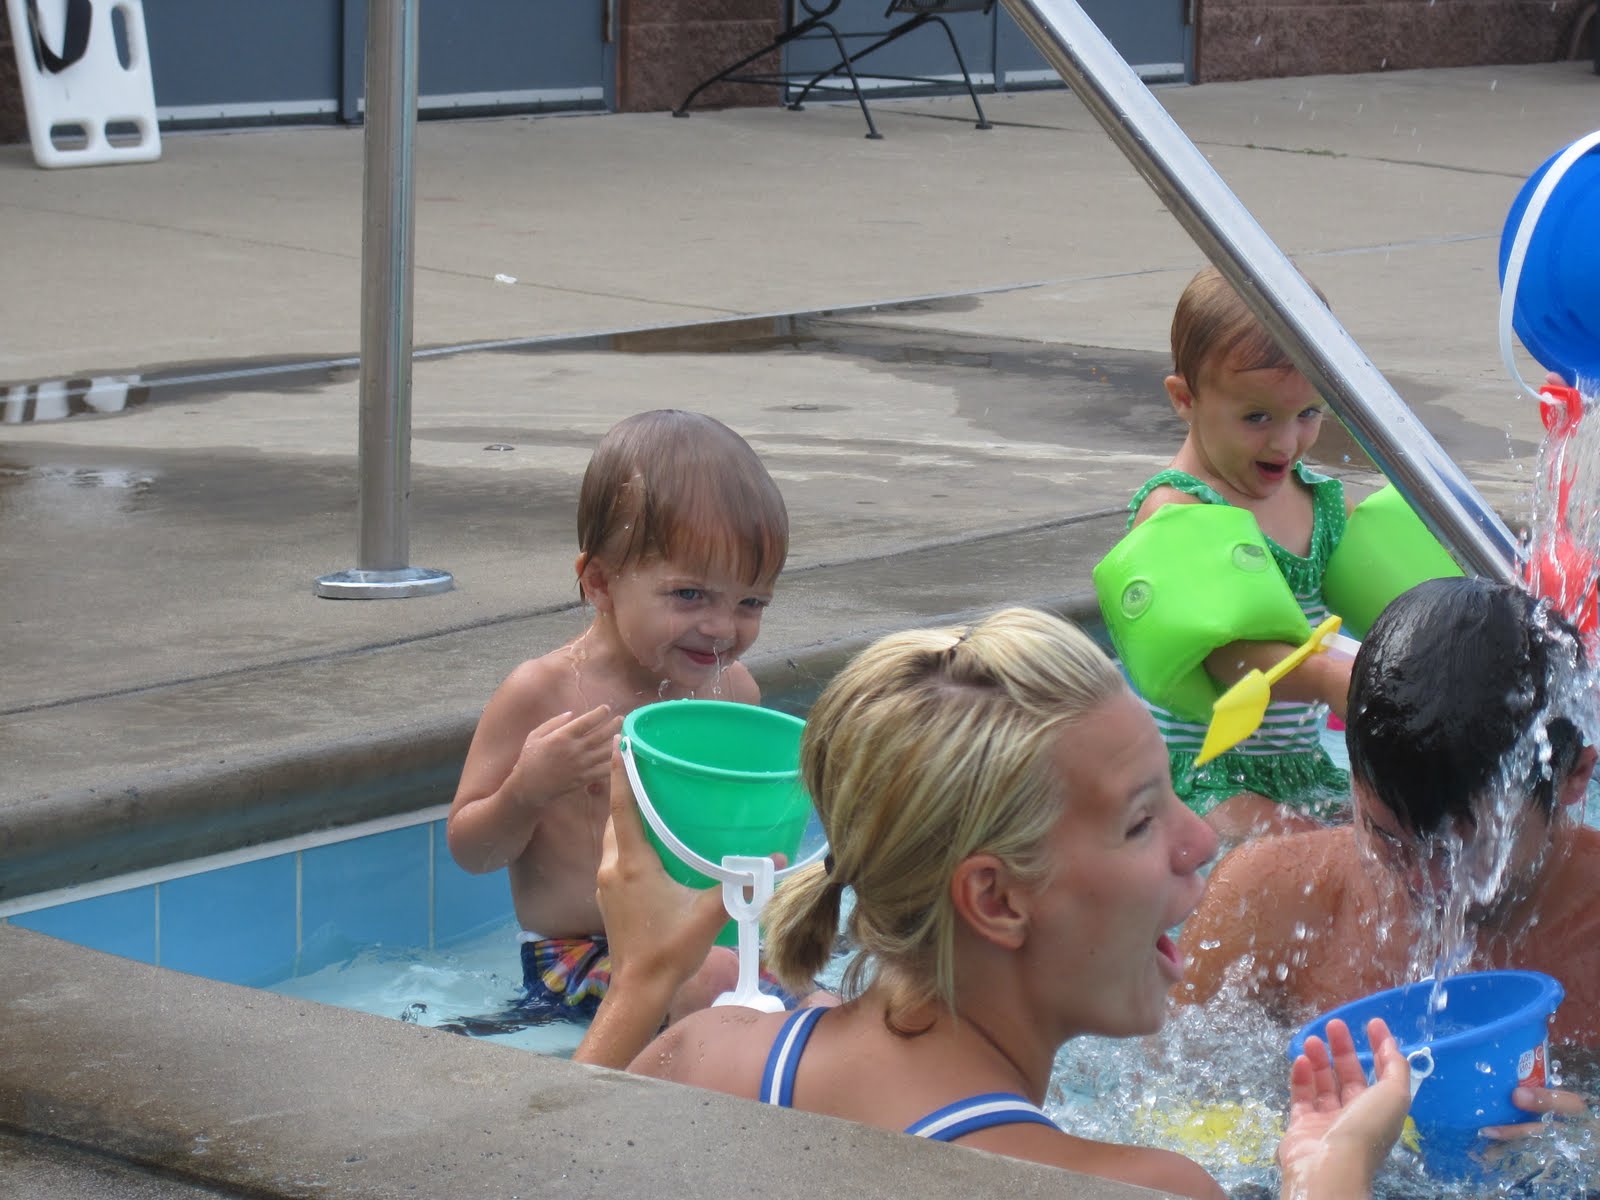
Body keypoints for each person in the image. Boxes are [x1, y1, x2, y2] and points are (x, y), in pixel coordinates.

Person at [574, 607, 1412, 1200]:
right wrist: (1328, 1175)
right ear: (996, 898)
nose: (1200, 843)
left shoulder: (712, 1058)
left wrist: (638, 986)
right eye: (1141, 820)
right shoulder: (1142, 1190)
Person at [447, 409, 789, 1025]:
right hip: (579, 955)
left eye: (751, 601)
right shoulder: (541, 694)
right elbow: (471, 850)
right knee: (714, 985)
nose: (721, 627)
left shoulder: (732, 691)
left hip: (703, 942)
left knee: (823, 994)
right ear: (600, 584)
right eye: (690, 595)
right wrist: (527, 791)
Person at [1179, 576, 1600, 1059]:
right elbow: (1157, 1102)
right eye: (1387, 836)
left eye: (1462, 850)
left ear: (1576, 777)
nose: (1425, 880)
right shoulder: (1269, 900)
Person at [1096, 266, 1355, 843]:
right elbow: (1226, 656)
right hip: (1200, 780)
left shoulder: (1317, 502)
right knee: (1289, 856)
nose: (1286, 442)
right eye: (1257, 417)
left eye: (1309, 413)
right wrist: (1334, 678)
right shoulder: (1172, 511)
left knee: (1406, 844)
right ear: (1185, 399)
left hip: (1304, 767)